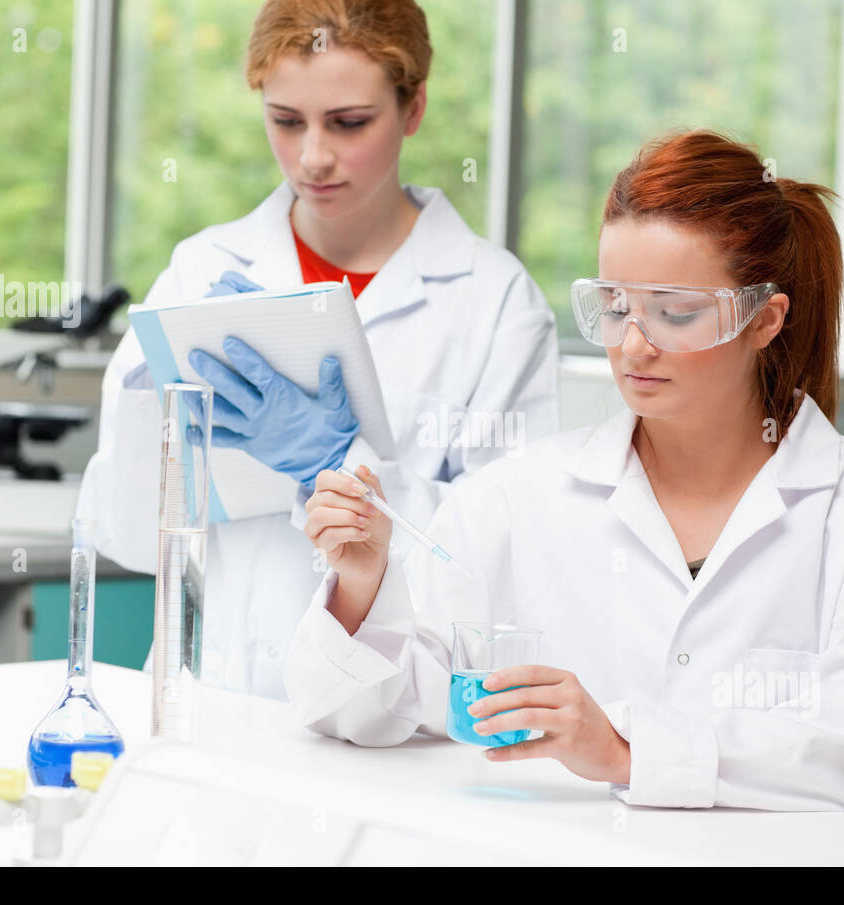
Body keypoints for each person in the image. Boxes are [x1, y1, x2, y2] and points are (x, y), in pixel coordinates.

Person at [289, 129, 844, 814]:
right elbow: (361, 712)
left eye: (675, 312)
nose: (634, 344)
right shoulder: (517, 498)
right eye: (614, 307)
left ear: (764, 320)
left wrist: (627, 752)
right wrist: (360, 588)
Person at [78, 0, 559, 698]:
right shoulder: (200, 269)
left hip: (383, 714)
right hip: (211, 703)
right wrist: (145, 415)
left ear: (414, 107)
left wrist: (340, 465)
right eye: (285, 121)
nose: (312, 157)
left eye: (349, 122)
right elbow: (121, 536)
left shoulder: (494, 303)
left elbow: (504, 572)